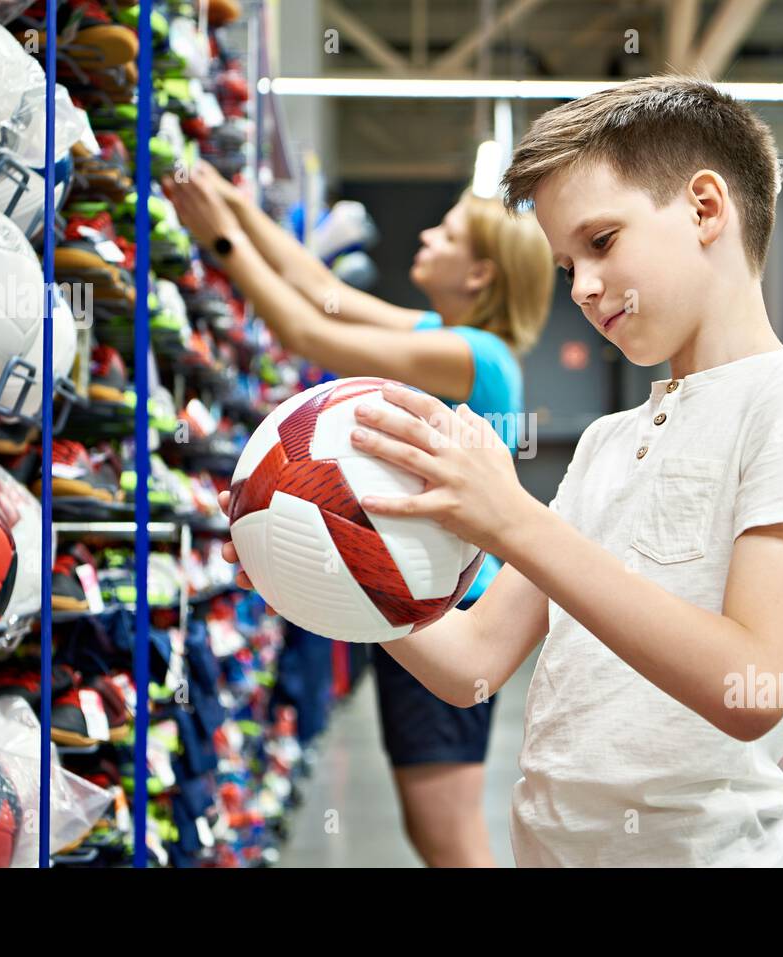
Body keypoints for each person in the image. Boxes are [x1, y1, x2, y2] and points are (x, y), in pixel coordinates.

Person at [232, 74, 783, 866]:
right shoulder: (603, 443)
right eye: (567, 265)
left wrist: (513, 518)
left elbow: (757, 689)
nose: (585, 287)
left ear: (706, 209)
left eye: (601, 243)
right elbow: (472, 666)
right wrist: (323, 551)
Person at [163, 162, 553, 867]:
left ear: (481, 276)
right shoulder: (451, 334)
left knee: (448, 834)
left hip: (447, 603)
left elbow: (312, 334)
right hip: (425, 589)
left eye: (450, 233)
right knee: (435, 825)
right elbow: (326, 293)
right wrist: (232, 206)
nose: (429, 234)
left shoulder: (474, 355)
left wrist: (221, 242)